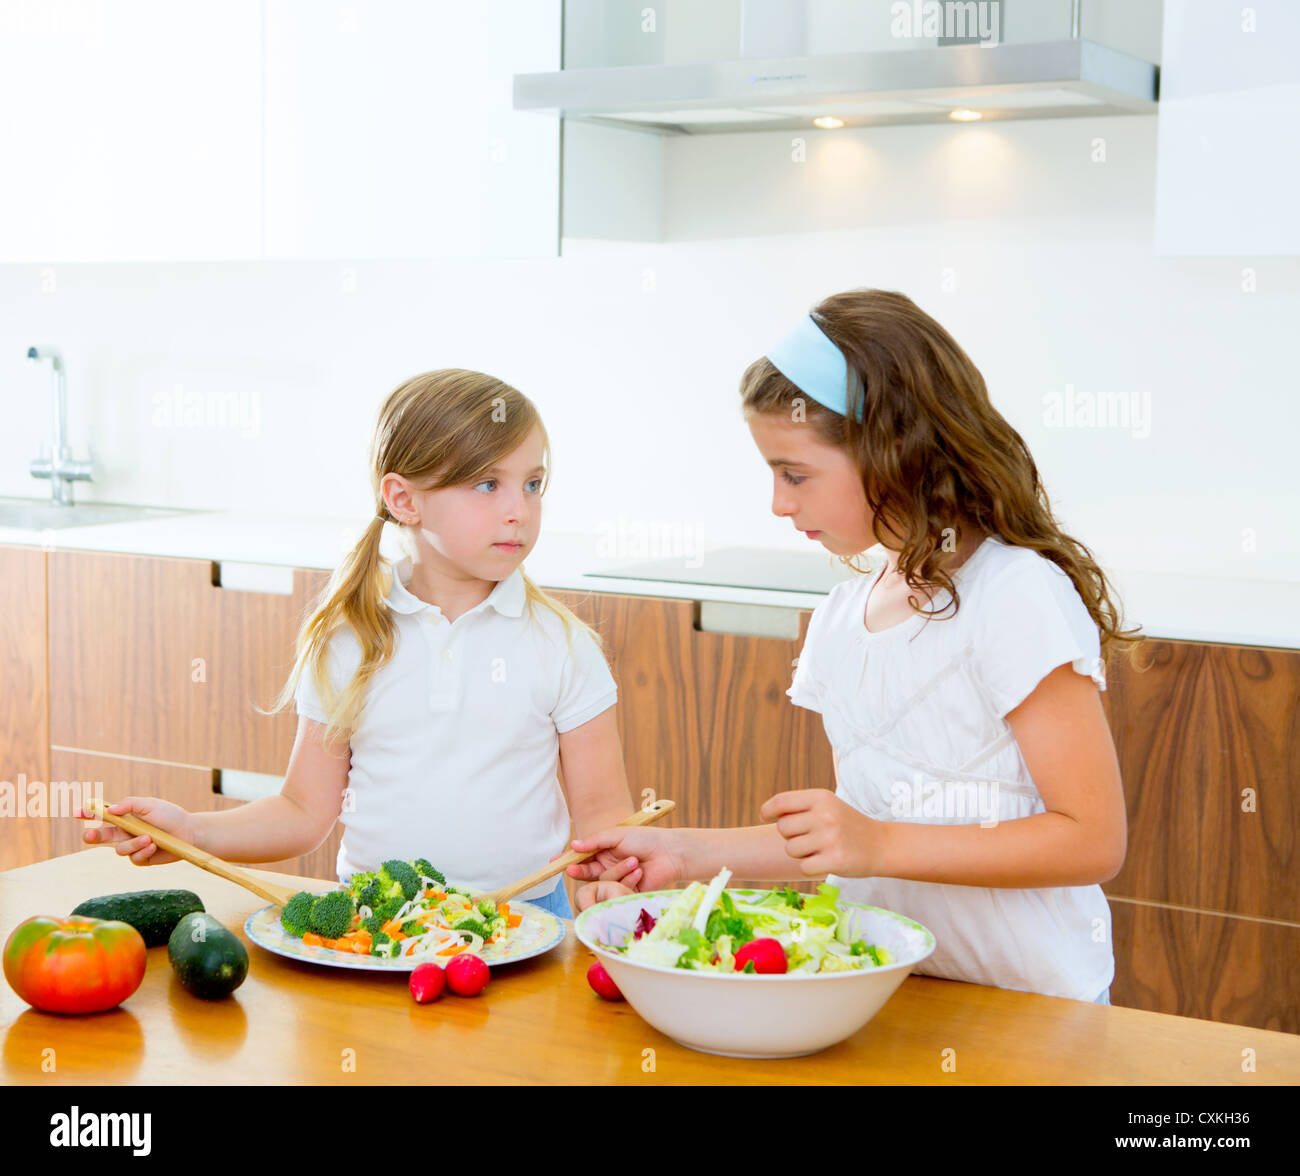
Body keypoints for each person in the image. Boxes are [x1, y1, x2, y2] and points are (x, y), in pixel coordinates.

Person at [568, 290, 1141, 1001]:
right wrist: (683, 852)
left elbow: (1091, 839)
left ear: (891, 450)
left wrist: (880, 844)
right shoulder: (846, 613)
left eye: (795, 473)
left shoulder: (1015, 593)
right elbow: (850, 834)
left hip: (1034, 1007)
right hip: (891, 994)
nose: (779, 502)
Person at [82, 369, 635, 919]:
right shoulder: (349, 640)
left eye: (533, 484)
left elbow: (605, 819)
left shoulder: (563, 644)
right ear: (404, 499)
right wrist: (193, 830)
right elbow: (302, 811)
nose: (520, 509)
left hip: (530, 923)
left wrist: (613, 882)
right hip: (372, 930)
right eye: (488, 485)